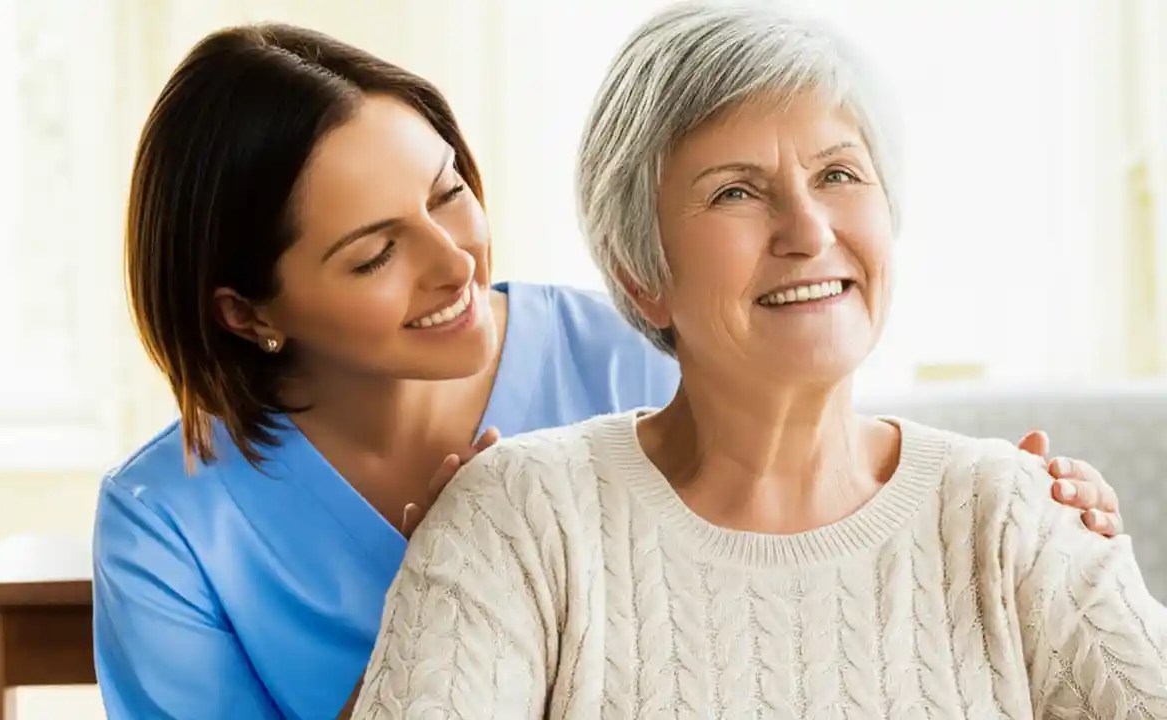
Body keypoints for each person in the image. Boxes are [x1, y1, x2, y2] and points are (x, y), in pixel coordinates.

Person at [94, 20, 1129, 720]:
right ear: (249, 312)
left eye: (450, 191)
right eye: (372, 252)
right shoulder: (175, 521)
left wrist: (1015, 517)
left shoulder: (612, 345)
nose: (456, 262)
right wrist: (443, 590)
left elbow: (815, 455)